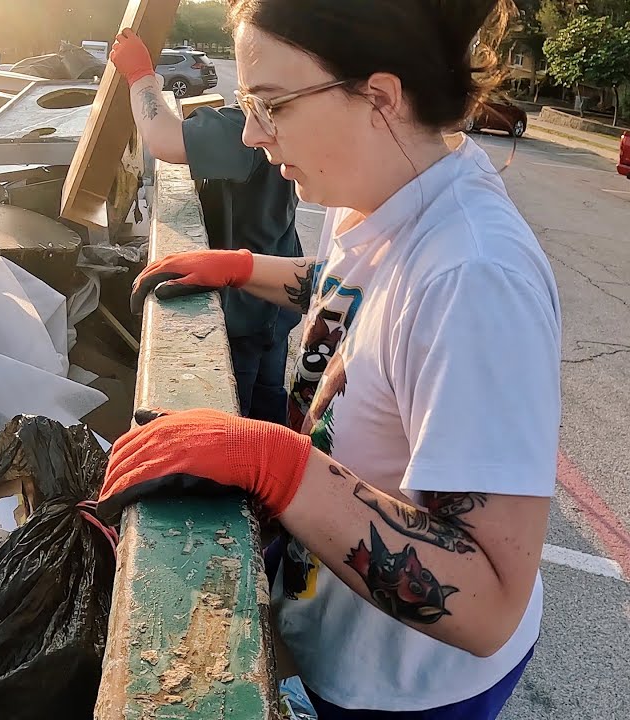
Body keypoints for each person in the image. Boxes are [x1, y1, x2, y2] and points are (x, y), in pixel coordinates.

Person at [99, 1, 558, 718]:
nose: (251, 135)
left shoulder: (474, 279)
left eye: (272, 105)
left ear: (378, 97)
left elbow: (492, 604)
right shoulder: (380, 190)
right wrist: (246, 266)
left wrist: (280, 467)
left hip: (407, 689)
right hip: (337, 622)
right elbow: (357, 299)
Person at [112, 28, 303, 424]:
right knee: (270, 399)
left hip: (246, 307)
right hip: (275, 289)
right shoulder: (280, 116)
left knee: (240, 414)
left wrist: (140, 77)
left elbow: (162, 138)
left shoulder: (241, 129)